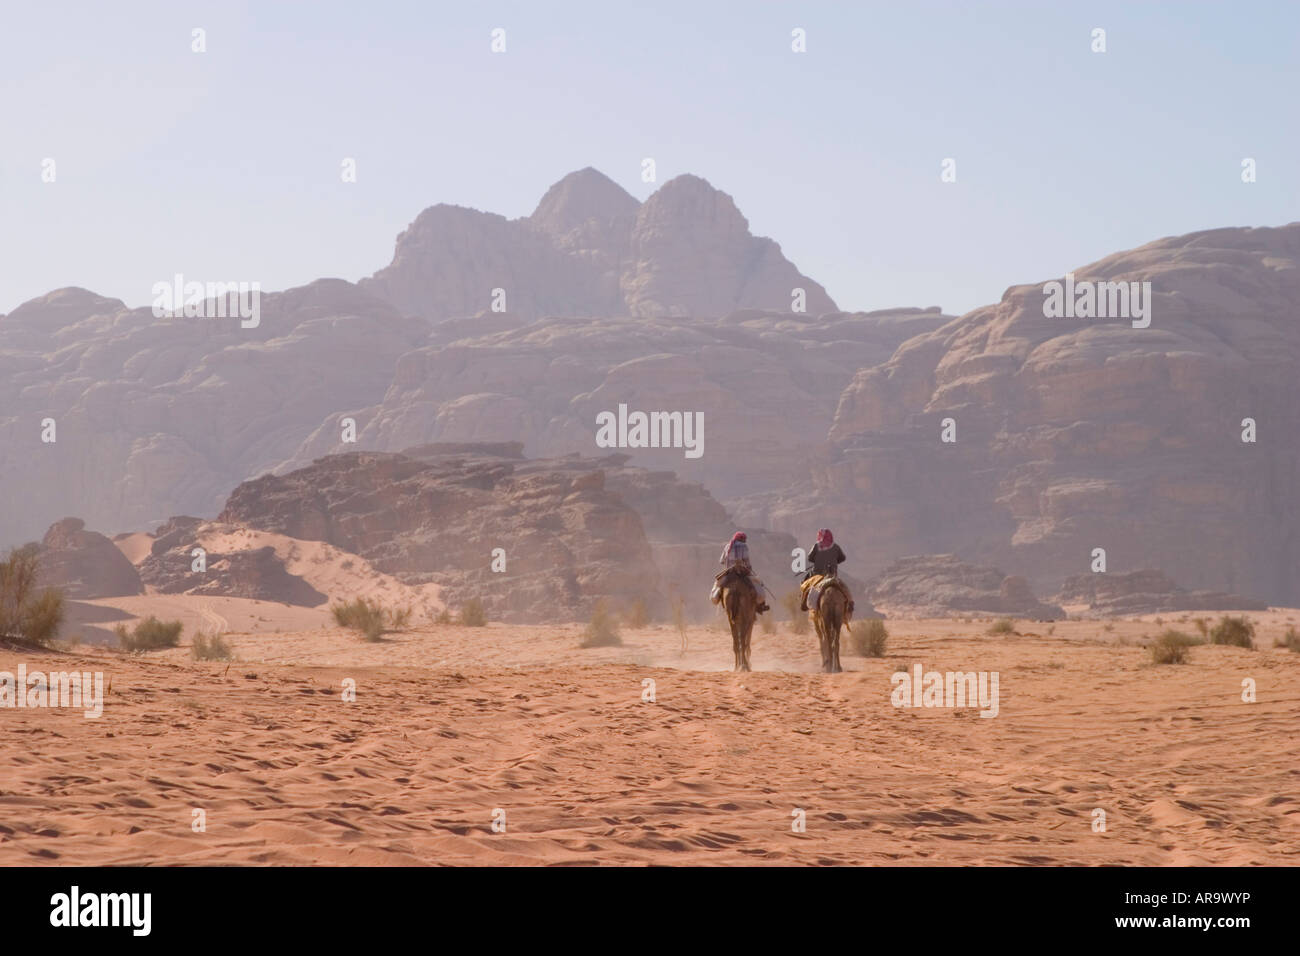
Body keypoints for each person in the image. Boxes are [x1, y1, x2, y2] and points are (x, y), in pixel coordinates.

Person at [715, 531, 769, 613]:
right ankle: (759, 606)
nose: (745, 541)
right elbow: (746, 561)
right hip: (742, 572)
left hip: (729, 572)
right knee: (755, 586)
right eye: (744, 539)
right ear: (742, 539)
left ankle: (719, 599)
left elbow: (721, 561)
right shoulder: (743, 546)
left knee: (718, 586)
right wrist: (749, 569)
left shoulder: (727, 546)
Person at [801, 528, 846, 610]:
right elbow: (842, 558)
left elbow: (810, 558)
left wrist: (817, 560)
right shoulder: (836, 546)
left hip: (817, 574)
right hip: (833, 575)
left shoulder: (816, 545)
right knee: (844, 589)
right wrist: (835, 561)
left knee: (805, 582)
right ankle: (848, 605)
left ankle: (803, 603)